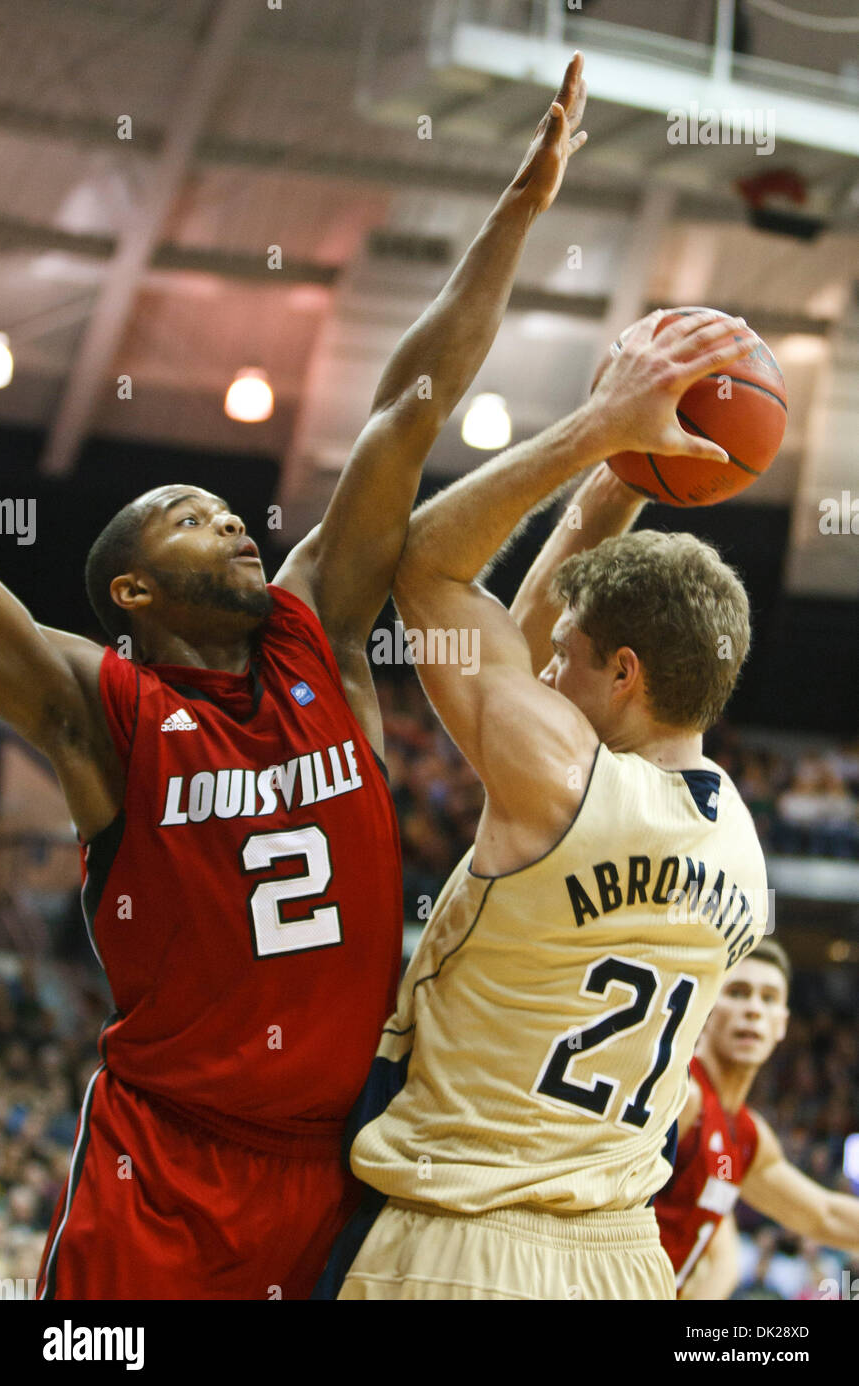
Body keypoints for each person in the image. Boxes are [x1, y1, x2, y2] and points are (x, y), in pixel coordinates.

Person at [0, 56, 591, 1301]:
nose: (227, 520)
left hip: (336, 1172)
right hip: (160, 1168)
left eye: (226, 508)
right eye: (187, 516)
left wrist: (517, 212)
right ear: (130, 594)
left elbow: (403, 414)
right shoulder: (101, 707)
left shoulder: (314, 624)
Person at [315, 306, 770, 1301]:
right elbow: (522, 652)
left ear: (621, 673)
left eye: (563, 658)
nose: (539, 670)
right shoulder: (741, 844)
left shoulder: (556, 780)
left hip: (463, 1242)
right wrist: (615, 490)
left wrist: (599, 430)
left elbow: (425, 565)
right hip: (619, 1258)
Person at [655, 939, 859, 1299]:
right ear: (705, 1006)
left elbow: (824, 1215)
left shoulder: (748, 1135)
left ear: (781, 1024)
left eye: (768, 998)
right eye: (737, 992)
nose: (753, 1009)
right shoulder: (680, 1095)